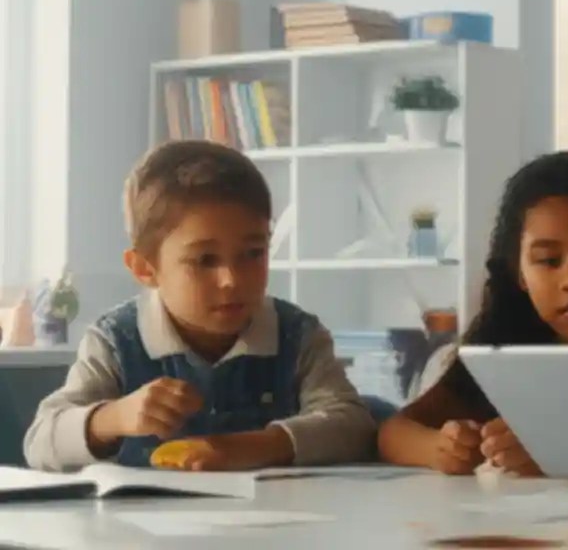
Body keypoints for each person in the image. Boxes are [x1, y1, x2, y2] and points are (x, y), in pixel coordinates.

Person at [25, 140, 375, 471]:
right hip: (141, 531)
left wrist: (250, 448)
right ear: (145, 269)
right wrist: (111, 418)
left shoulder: (298, 334)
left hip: (273, 528)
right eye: (204, 260)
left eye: (253, 254)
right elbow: (40, 442)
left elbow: (353, 426)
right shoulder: (116, 340)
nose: (231, 280)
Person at [378, 150, 568, 476]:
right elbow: (394, 432)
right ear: (518, 271)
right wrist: (441, 448)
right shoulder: (503, 345)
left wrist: (561, 456)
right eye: (548, 261)